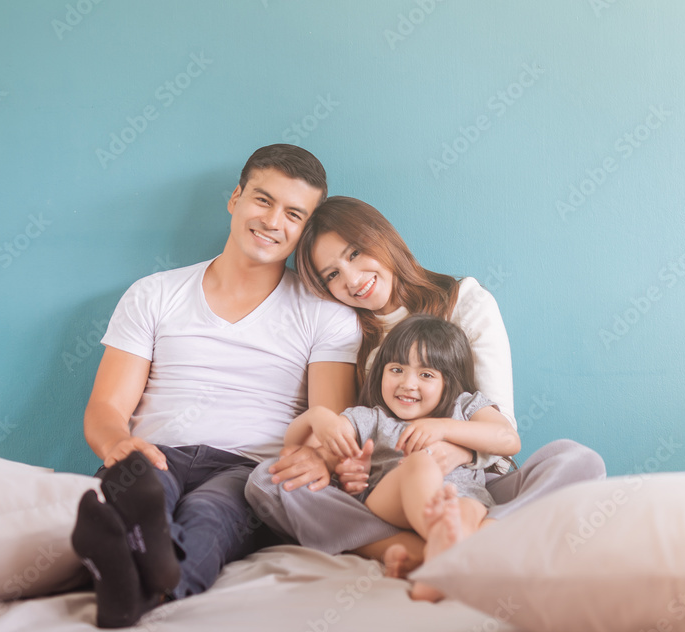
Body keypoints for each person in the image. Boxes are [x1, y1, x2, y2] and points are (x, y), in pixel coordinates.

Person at [70, 145, 362, 628]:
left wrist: (317, 458)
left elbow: (329, 423)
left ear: (305, 229)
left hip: (248, 470)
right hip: (155, 454)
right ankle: (143, 561)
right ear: (235, 198)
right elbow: (105, 406)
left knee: (210, 514)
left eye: (294, 214)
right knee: (144, 485)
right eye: (263, 200)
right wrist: (118, 444)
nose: (273, 221)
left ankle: (138, 580)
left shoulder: (327, 315)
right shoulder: (154, 293)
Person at [246, 196, 606, 574]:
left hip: (476, 482)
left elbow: (503, 433)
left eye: (354, 253)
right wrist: (339, 465)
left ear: (382, 238)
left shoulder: (465, 301)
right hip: (390, 489)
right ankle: (432, 550)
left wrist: (453, 449)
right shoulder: (347, 333)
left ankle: (471, 539)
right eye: (332, 275)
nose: (351, 279)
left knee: (577, 460)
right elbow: (346, 438)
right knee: (269, 481)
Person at [288, 314, 521, 600]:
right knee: (420, 461)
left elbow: (508, 440)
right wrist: (315, 417)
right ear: (381, 372)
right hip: (392, 499)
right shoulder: (369, 418)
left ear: (449, 381)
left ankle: (432, 566)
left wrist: (444, 427)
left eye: (426, 375)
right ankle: (438, 537)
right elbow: (300, 452)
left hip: (463, 496)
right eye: (397, 369)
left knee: (464, 515)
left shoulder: (465, 406)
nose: (408, 384)